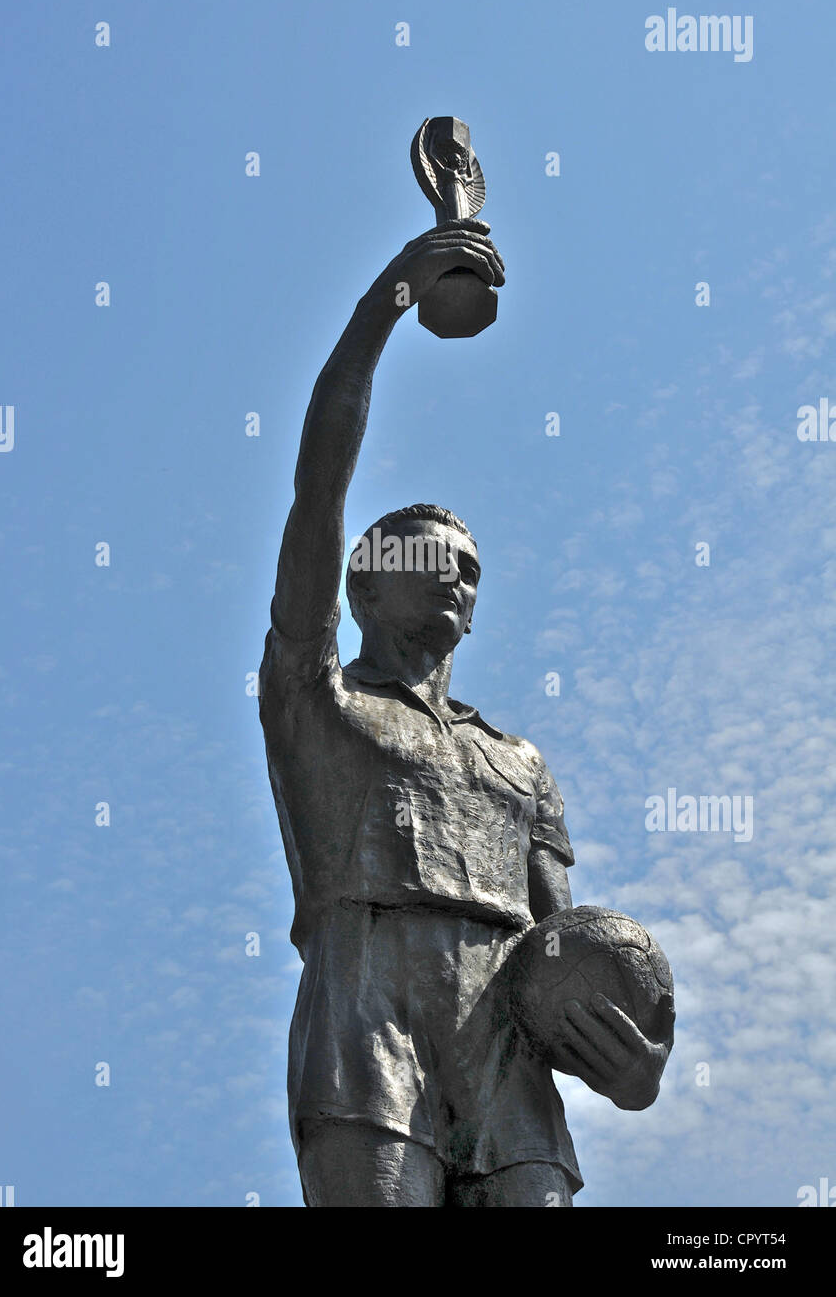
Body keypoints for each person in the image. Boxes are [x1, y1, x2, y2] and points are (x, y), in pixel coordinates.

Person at [258, 220, 669, 1207]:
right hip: (366, 1019)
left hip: (503, 1054)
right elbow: (320, 480)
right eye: (427, 558)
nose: (454, 576)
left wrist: (632, 1066)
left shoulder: (517, 761)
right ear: (362, 589)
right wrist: (395, 294)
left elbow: (558, 948)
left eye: (471, 570)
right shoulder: (318, 697)